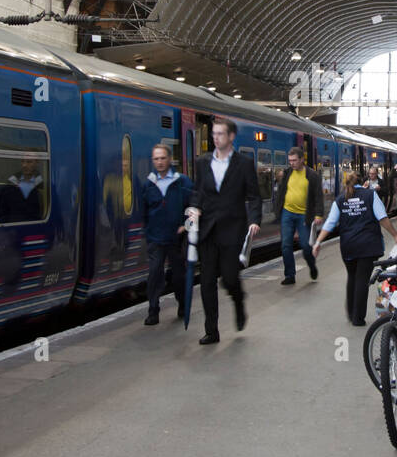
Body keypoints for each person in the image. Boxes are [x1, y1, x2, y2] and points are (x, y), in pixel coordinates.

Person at [188, 117, 261, 345]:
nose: (215, 138)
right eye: (214, 134)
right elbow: (198, 192)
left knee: (229, 278)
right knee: (207, 281)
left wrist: (254, 220)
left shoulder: (244, 164)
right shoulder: (202, 162)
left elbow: (254, 196)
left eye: (220, 134)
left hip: (233, 229)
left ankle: (238, 301)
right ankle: (212, 330)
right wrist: (194, 209)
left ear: (231, 137)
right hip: (208, 230)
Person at [312, 171, 397, 326]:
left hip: (349, 245)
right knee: (362, 280)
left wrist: (318, 242)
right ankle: (358, 317)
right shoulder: (370, 195)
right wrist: (395, 235)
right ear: (363, 182)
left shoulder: (340, 199)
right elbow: (382, 218)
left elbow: (330, 223)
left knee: (352, 276)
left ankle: (350, 311)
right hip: (368, 245)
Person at [136, 144, 194, 325]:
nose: (159, 162)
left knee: (178, 276)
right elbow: (143, 211)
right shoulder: (148, 184)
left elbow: (195, 208)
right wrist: (147, 232)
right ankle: (153, 311)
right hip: (155, 238)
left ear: (169, 159)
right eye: (156, 159)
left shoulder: (182, 182)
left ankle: (183, 305)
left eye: (162, 158)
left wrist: (186, 227)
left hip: (176, 239)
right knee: (154, 274)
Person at [271, 145, 322, 285]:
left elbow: (318, 196)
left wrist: (318, 214)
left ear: (302, 159)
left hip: (304, 215)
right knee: (286, 245)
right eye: (290, 160)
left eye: (294, 160)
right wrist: (278, 210)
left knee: (306, 245)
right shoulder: (287, 173)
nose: (291, 163)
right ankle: (290, 275)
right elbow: (281, 192)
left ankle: (311, 265)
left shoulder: (312, 175)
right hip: (287, 213)